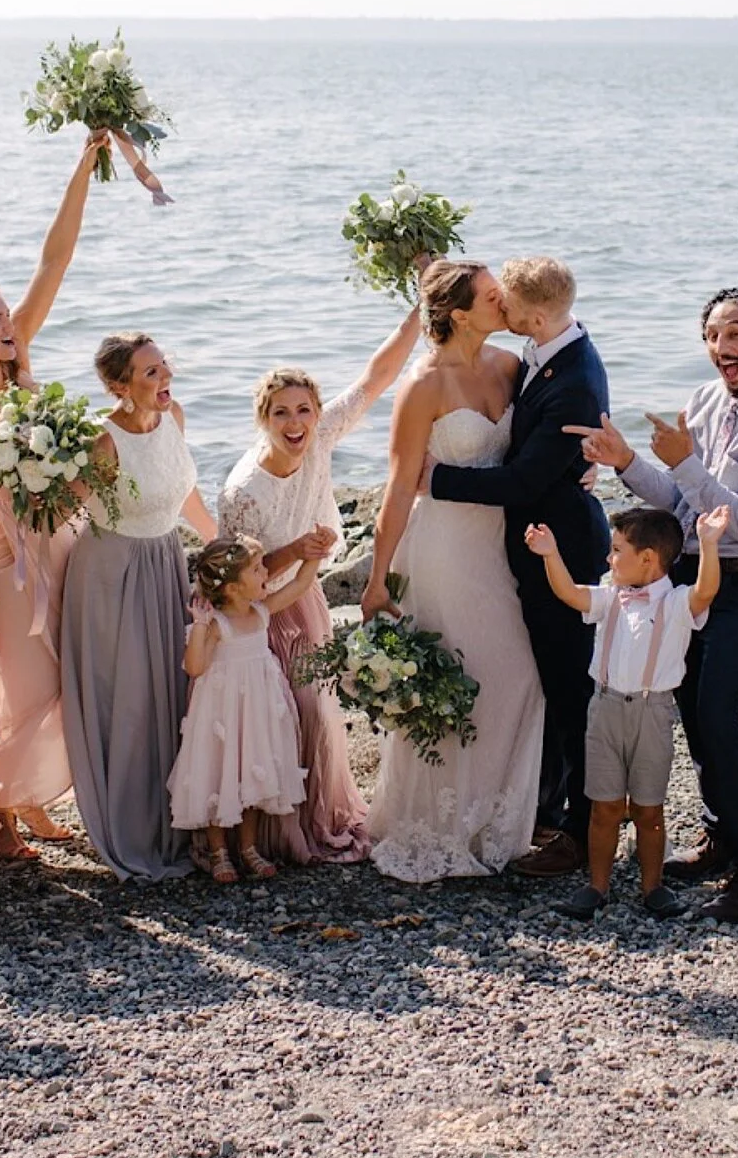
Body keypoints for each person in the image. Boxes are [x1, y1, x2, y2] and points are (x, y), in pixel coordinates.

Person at [569, 288, 738, 924]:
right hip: (685, 576)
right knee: (690, 709)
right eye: (712, 336)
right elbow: (680, 509)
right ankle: (719, 839)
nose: (720, 348)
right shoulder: (708, 400)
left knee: (720, 720)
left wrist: (683, 467)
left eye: (735, 335)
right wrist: (627, 461)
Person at [0, 128, 136, 860]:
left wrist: (83, 167)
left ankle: (34, 798)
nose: (9, 325)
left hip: (67, 540)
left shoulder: (24, 365)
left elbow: (56, 259)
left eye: (7, 315)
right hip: (7, 559)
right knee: (21, 683)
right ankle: (2, 813)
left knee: (68, 680)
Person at [422, 256, 613, 879]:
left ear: (532, 316)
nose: (498, 309)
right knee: (551, 687)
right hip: (534, 544)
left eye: (505, 305)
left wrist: (436, 478)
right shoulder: (548, 347)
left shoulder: (574, 379)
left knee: (570, 691)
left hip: (565, 550)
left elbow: (526, 478)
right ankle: (548, 807)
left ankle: (582, 835)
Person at [362, 260, 549, 882]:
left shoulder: (512, 365)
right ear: (462, 313)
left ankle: (496, 821)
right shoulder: (423, 386)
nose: (507, 301)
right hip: (444, 552)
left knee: (517, 677)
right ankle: (436, 826)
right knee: (456, 681)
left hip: (503, 544)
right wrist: (376, 577)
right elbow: (397, 489)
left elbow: (534, 449)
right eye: (495, 296)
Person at [217, 302, 421, 866]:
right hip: (258, 614)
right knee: (280, 713)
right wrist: (295, 552)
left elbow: (374, 380)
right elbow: (236, 586)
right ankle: (276, 832)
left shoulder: (323, 434)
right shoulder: (242, 493)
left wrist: (419, 312)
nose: (295, 423)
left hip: (304, 601)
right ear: (264, 418)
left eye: (303, 409)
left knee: (317, 712)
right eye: (281, 412)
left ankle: (314, 816)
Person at [59, 331, 218, 882]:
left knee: (170, 694)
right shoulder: (104, 442)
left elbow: (185, 495)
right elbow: (61, 510)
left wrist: (218, 545)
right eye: (149, 373)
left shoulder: (175, 420)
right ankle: (127, 827)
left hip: (166, 561)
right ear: (118, 386)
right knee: (126, 699)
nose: (164, 378)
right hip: (113, 575)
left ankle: (174, 819)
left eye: (163, 366)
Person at [525, 504, 730, 922]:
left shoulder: (674, 602)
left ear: (648, 559)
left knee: (649, 810)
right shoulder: (610, 595)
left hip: (653, 713)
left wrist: (709, 544)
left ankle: (652, 887)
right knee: (603, 806)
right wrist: (550, 554)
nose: (609, 558)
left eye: (617, 550)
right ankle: (597, 886)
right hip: (604, 708)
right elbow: (569, 593)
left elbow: (706, 591)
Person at [169, 536, 317, 884]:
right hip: (221, 713)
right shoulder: (218, 625)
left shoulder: (261, 613)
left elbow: (300, 585)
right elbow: (195, 667)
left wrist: (315, 554)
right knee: (219, 771)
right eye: (257, 568)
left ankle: (248, 847)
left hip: (258, 710)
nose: (266, 571)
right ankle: (219, 850)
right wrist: (201, 624)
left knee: (253, 772)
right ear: (234, 587)